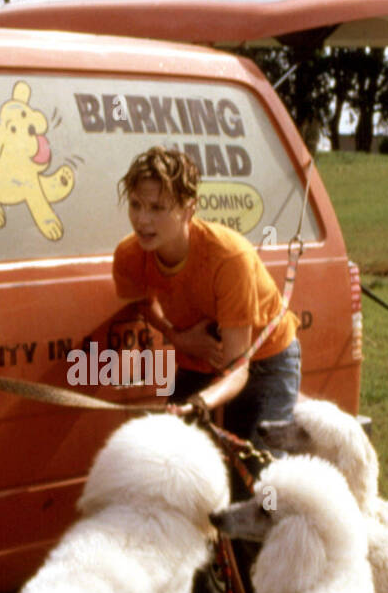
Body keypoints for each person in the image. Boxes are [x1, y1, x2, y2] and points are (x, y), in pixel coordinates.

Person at [112, 146, 301, 451]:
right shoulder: (129, 255)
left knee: (257, 473)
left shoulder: (228, 256)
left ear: (188, 209)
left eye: (158, 208)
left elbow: (238, 368)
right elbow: (143, 302)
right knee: (173, 460)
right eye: (136, 205)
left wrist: (200, 402)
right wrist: (178, 337)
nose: (142, 220)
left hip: (263, 358)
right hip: (199, 358)